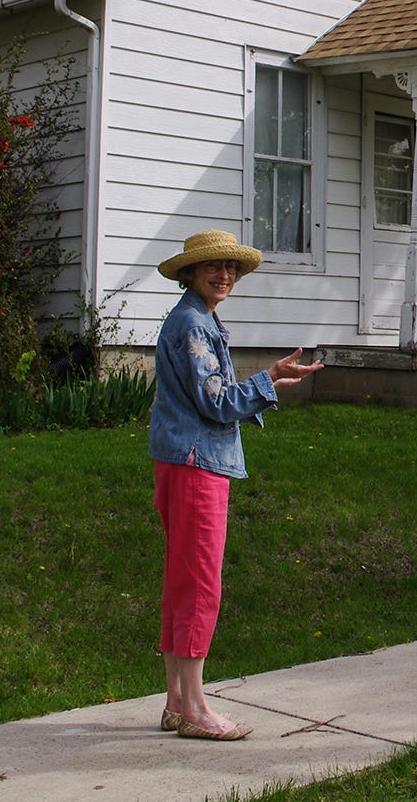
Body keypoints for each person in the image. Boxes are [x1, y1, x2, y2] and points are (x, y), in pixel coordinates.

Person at [149, 230, 322, 741]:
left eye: (230, 268)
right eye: (212, 267)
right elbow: (217, 402)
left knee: (182, 581)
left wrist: (265, 376)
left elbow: (209, 393)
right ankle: (198, 709)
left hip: (180, 462)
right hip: (198, 465)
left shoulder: (194, 319)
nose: (224, 275)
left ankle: (177, 702)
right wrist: (266, 383)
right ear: (190, 272)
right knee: (201, 583)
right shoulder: (194, 325)